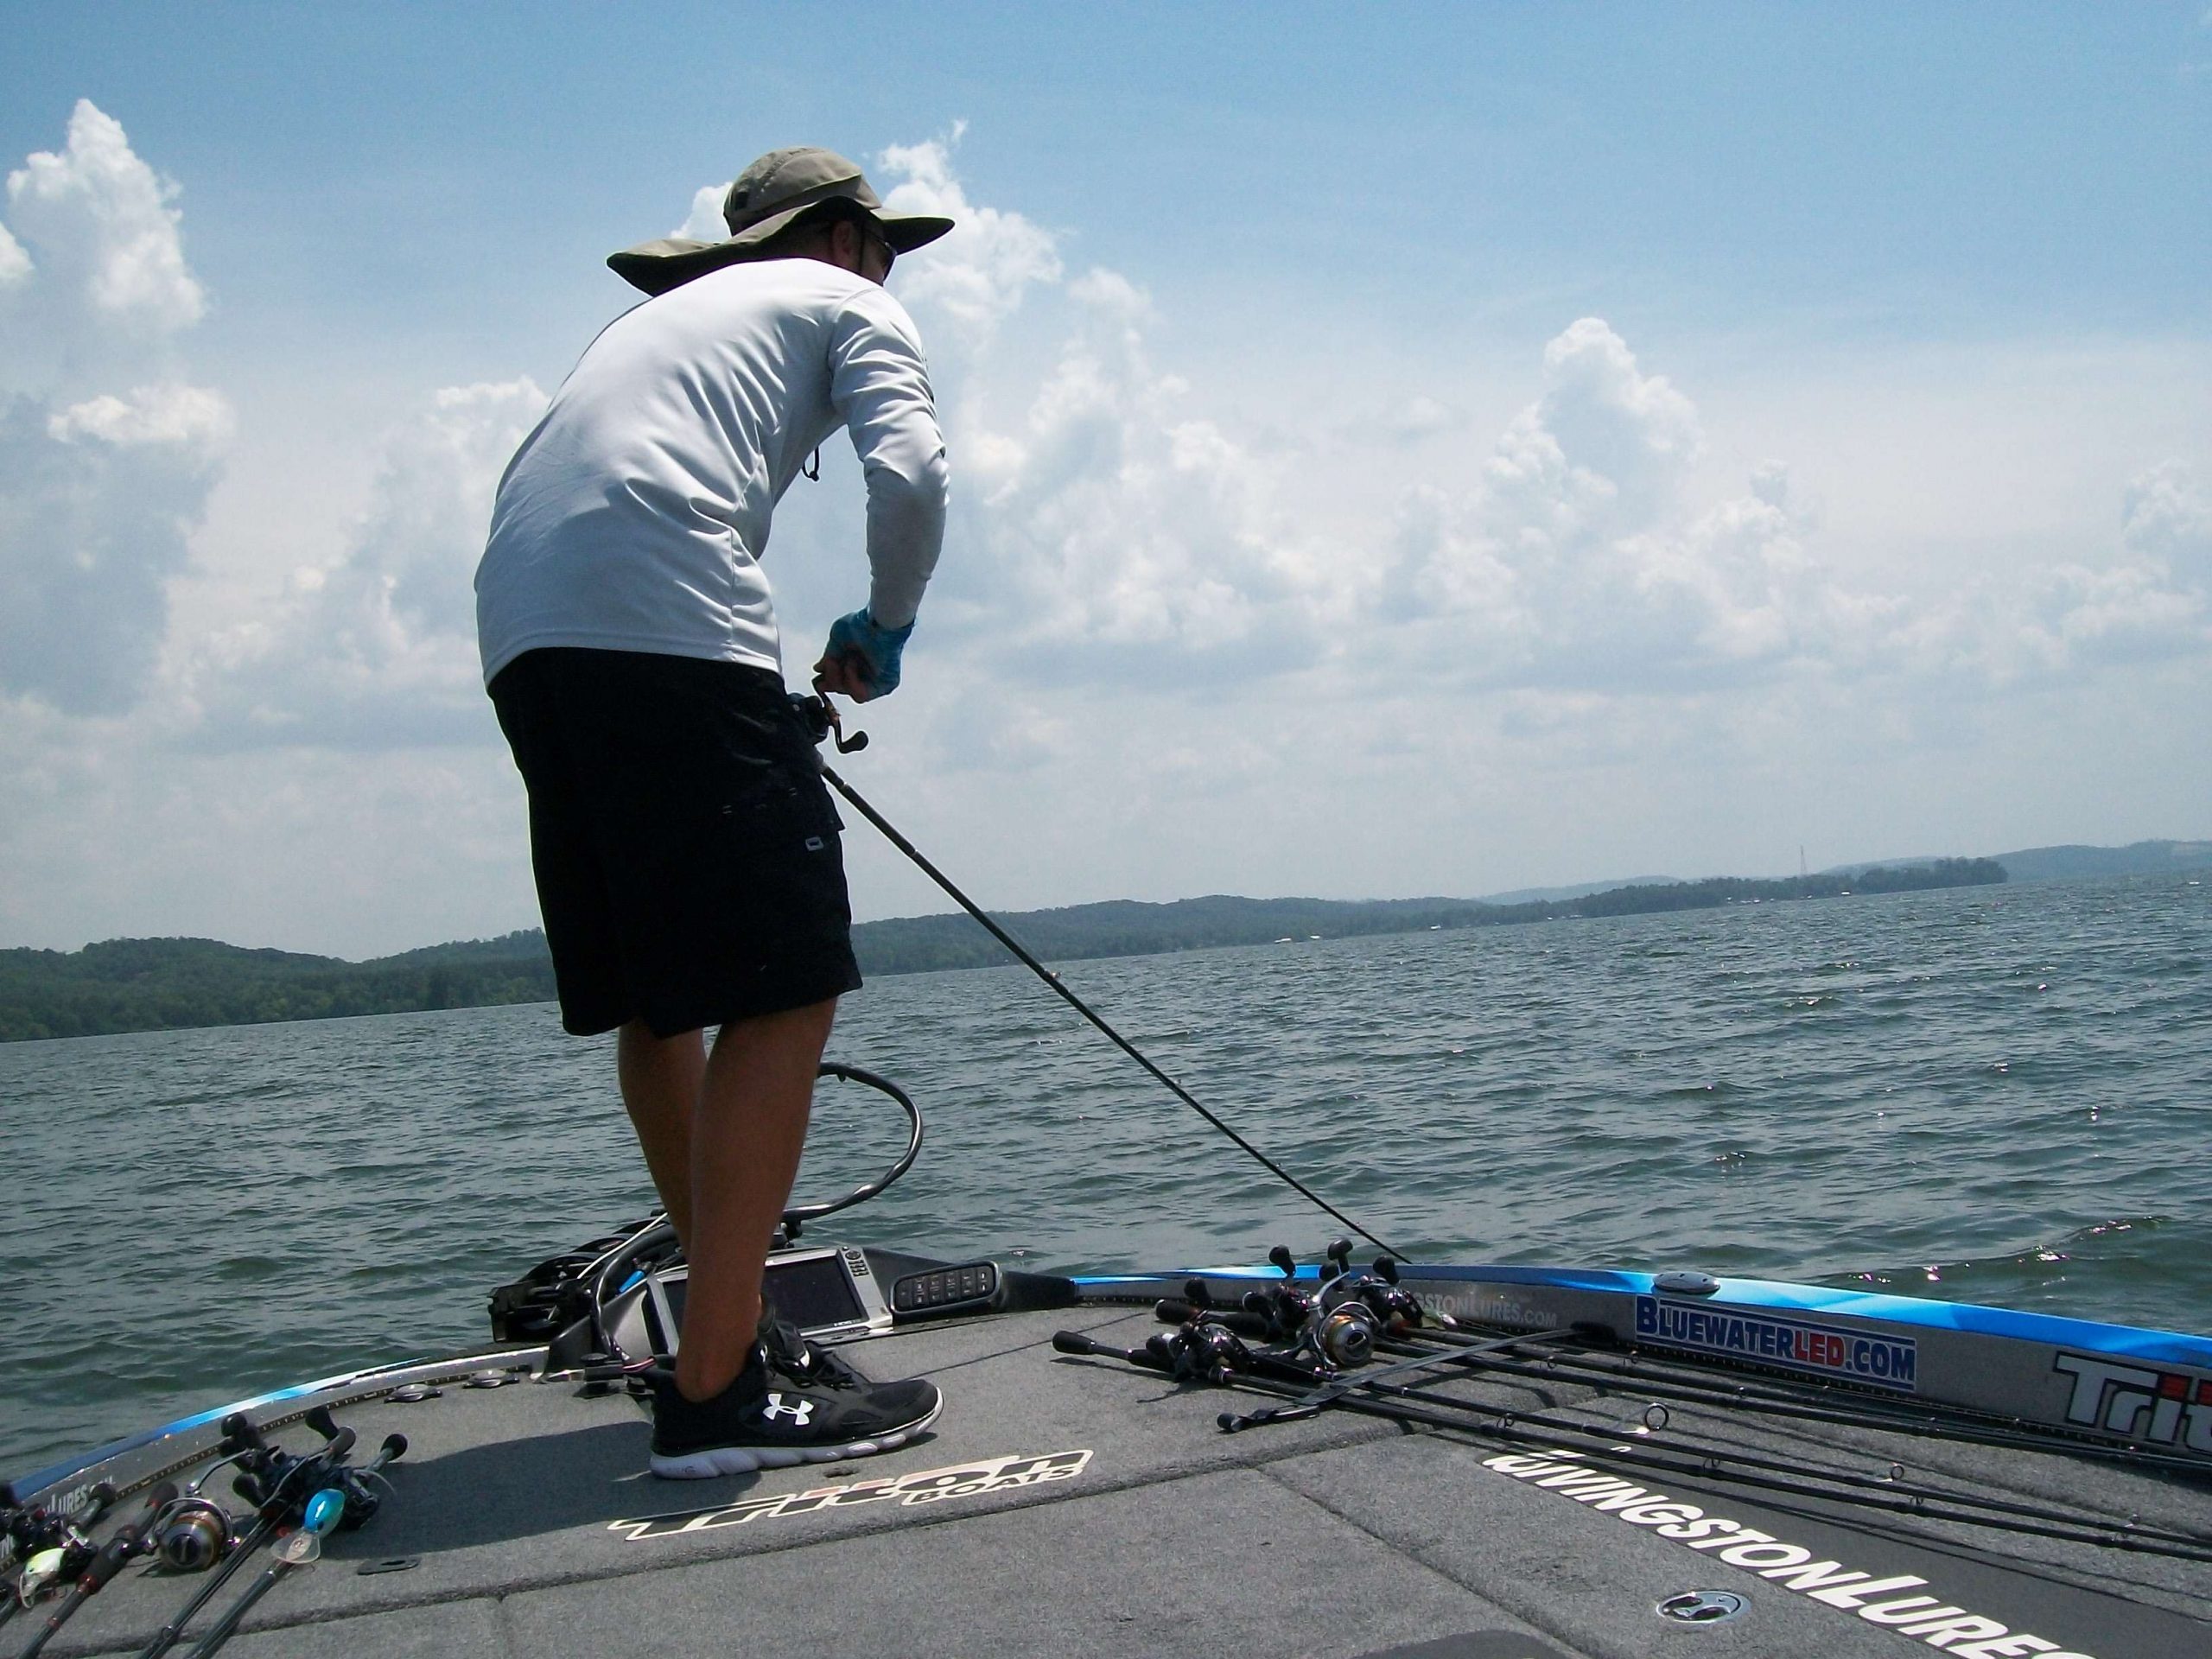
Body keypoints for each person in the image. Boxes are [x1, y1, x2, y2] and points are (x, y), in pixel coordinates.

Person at [474, 147, 951, 1478]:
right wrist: (887, 626)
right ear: (847, 239)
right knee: (786, 985)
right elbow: (912, 474)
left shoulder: (653, 324)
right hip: (663, 619)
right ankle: (720, 1389)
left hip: (523, 630)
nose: (893, 272)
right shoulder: (849, 301)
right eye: (887, 247)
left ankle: (724, 1330)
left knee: (659, 997)